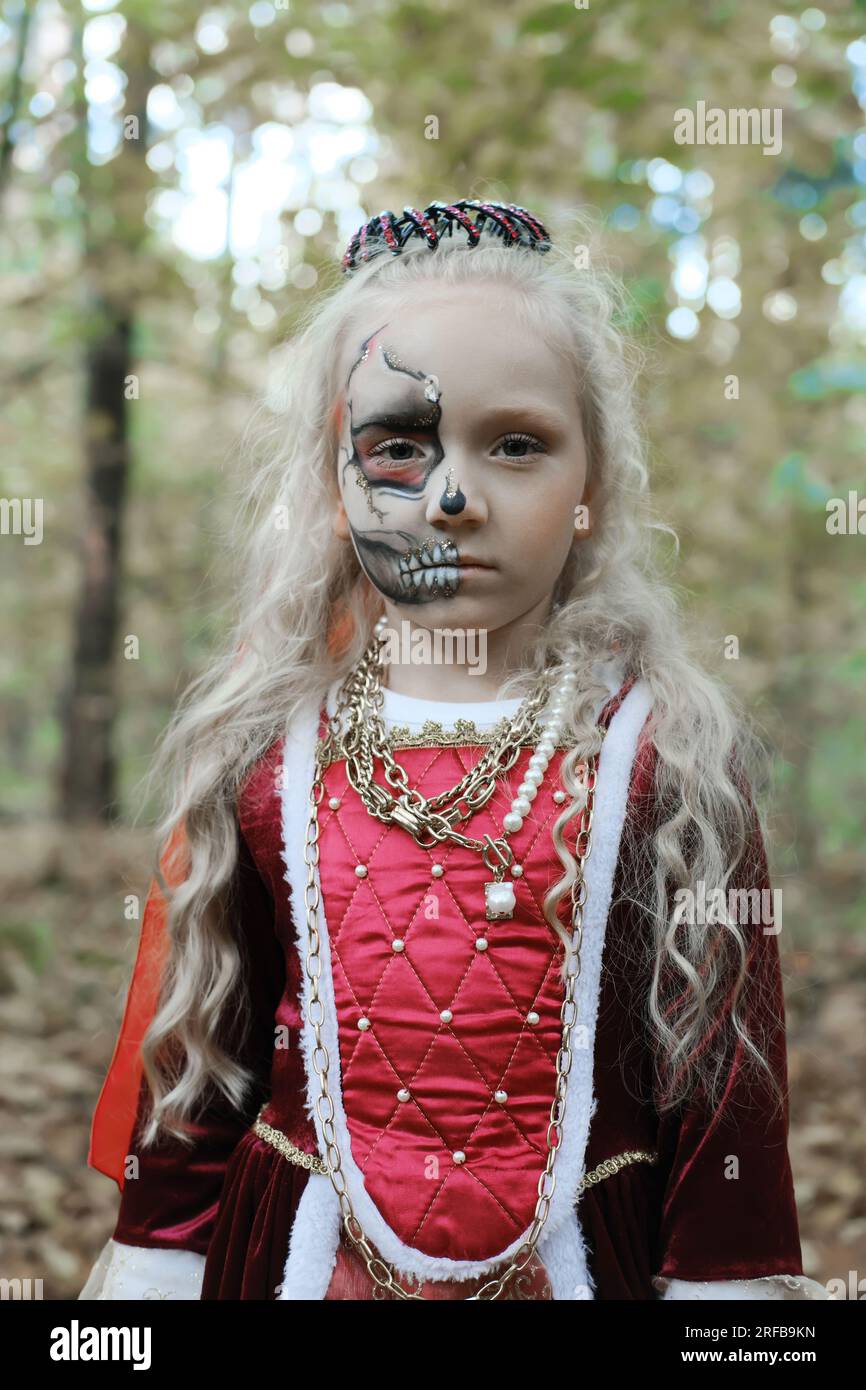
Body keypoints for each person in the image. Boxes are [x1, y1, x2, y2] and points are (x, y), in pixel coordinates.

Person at [79, 199, 829, 1300]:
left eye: (515, 444)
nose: (453, 496)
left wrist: (727, 1297)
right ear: (333, 490)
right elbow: (199, 1072)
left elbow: (725, 1121)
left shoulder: (669, 769)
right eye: (394, 447)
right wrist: (150, 1269)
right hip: (296, 1263)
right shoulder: (266, 759)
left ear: (591, 489)